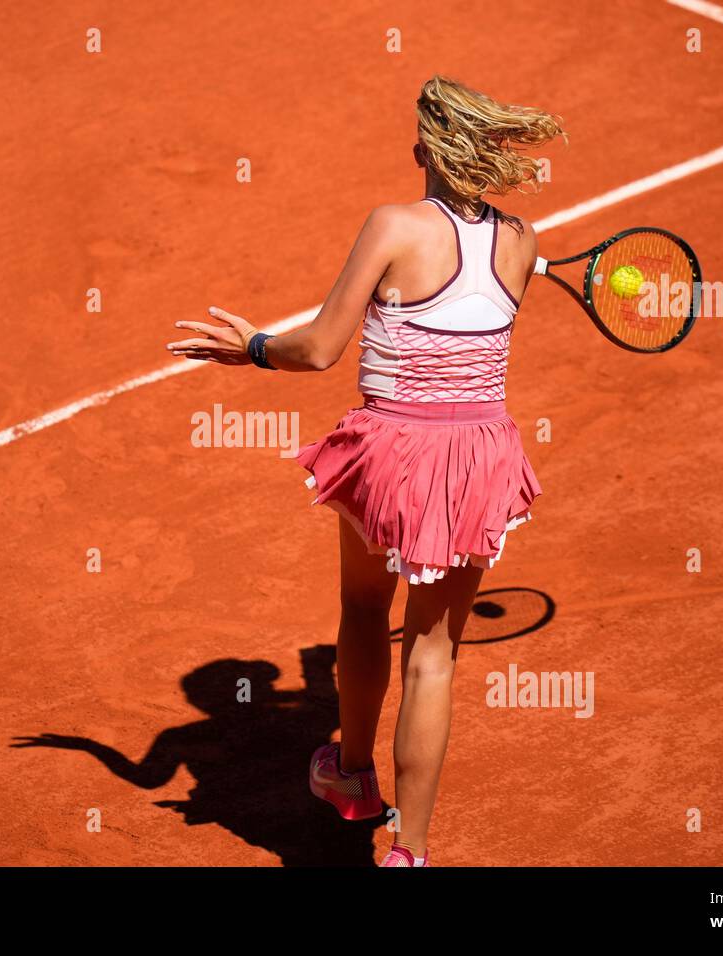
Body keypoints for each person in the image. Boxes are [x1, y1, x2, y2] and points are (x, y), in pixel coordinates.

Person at [166, 75, 565, 867]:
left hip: (392, 456)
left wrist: (249, 347)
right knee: (433, 656)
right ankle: (408, 853)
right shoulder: (522, 242)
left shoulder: (393, 225)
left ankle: (350, 775)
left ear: (422, 151)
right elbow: (490, 274)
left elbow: (316, 349)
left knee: (359, 604)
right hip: (480, 459)